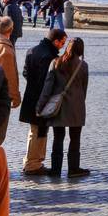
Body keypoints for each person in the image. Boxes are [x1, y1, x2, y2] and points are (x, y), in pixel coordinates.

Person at [37, 36, 89, 177]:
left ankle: (56, 169)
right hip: (77, 106)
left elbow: (47, 87)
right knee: (75, 138)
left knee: (58, 137)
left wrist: (40, 106)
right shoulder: (83, 66)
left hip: (59, 107)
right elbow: (84, 89)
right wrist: (79, 102)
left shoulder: (56, 62)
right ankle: (73, 169)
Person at [19, 27, 66, 176]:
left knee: (37, 131)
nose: (62, 46)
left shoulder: (32, 50)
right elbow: (47, 81)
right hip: (40, 99)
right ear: (55, 40)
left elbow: (26, 72)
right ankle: (32, 163)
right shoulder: (49, 56)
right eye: (62, 43)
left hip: (30, 96)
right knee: (38, 131)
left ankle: (34, 161)